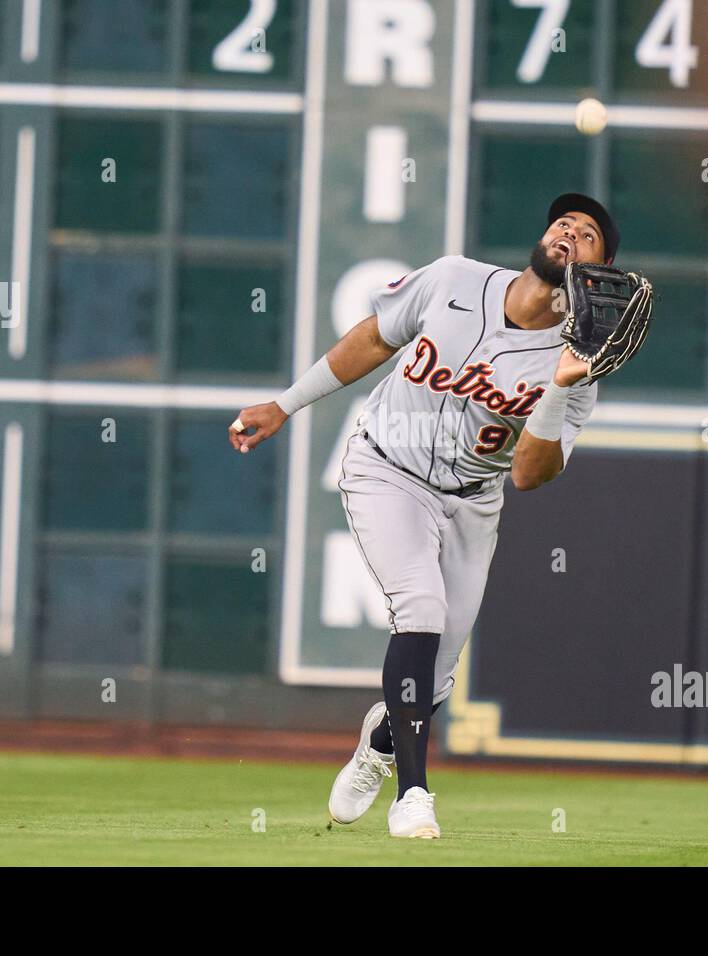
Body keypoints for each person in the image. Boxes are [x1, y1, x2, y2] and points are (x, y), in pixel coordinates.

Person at [229, 193, 619, 838]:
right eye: (564, 222)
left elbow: (528, 474)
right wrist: (286, 403)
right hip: (387, 468)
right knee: (420, 611)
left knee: (434, 679)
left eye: (589, 236)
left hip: (473, 500)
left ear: (598, 273)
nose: (570, 232)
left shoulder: (578, 369)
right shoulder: (454, 279)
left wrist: (562, 384)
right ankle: (413, 792)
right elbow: (374, 339)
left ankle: (380, 740)